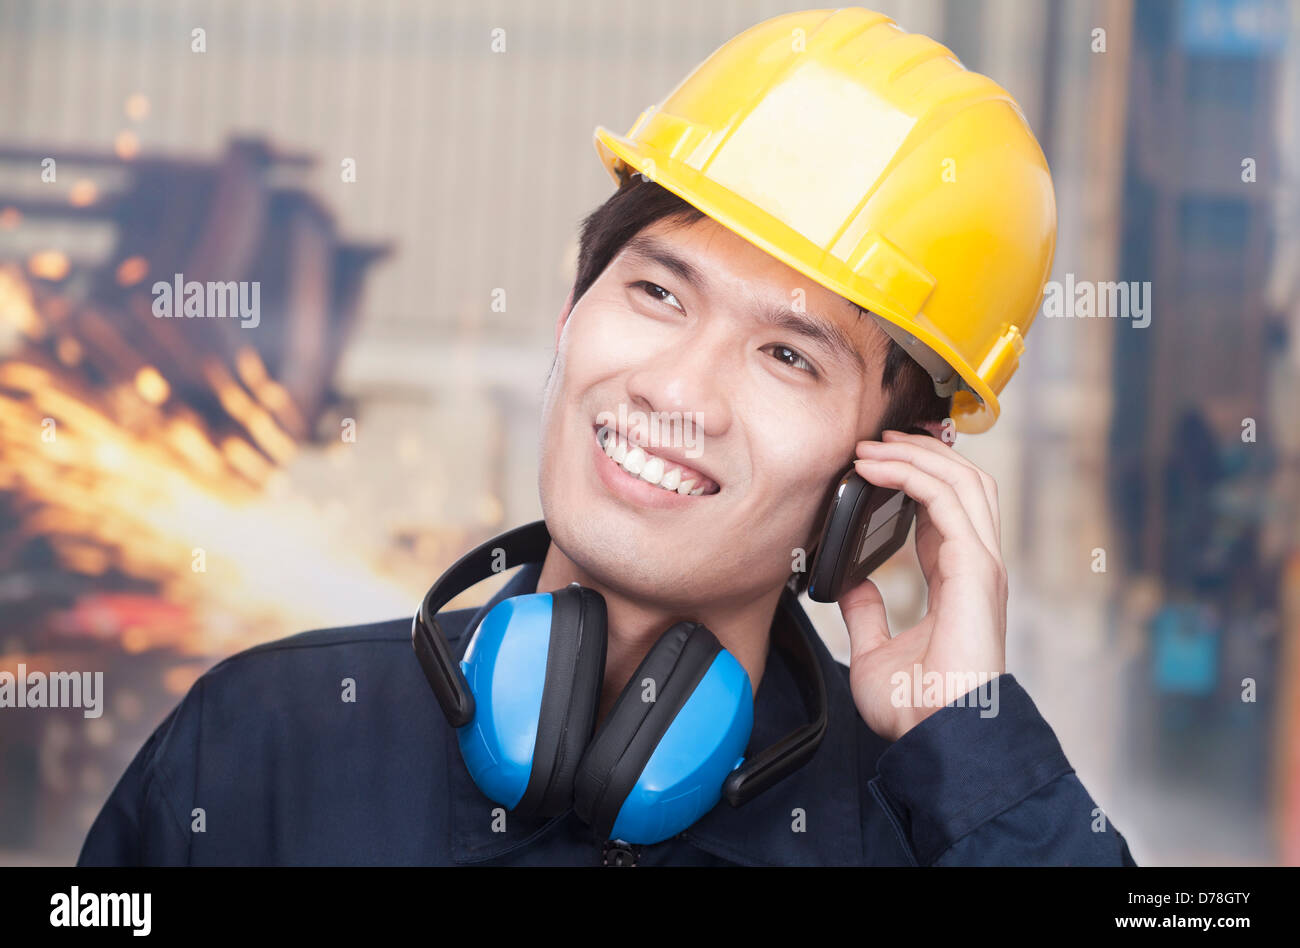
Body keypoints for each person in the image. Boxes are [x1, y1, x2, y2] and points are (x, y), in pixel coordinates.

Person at [79, 7, 1137, 866]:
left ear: (886, 483)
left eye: (788, 356)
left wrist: (970, 751)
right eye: (658, 293)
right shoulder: (266, 744)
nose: (677, 385)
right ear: (570, 315)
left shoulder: (922, 827)